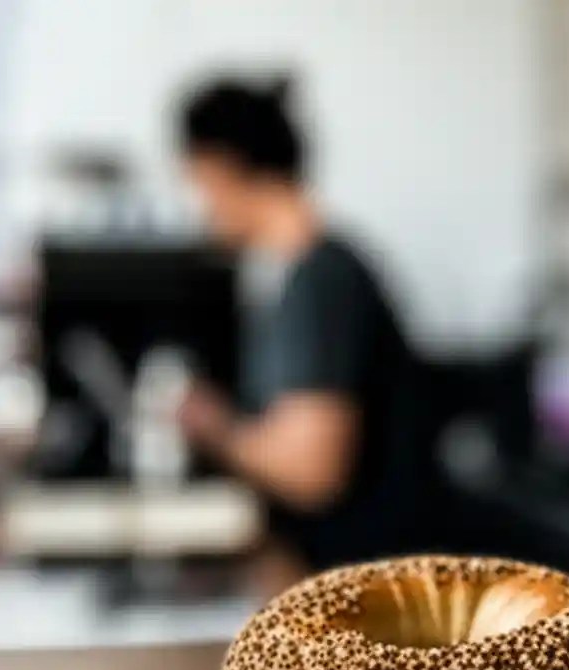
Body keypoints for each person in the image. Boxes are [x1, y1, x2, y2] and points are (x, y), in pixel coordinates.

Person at [176, 78, 436, 571]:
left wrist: (213, 426)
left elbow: (310, 469)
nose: (200, 207)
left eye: (196, 184)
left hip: (362, 592)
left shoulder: (321, 282)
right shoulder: (308, 274)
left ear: (221, 169)